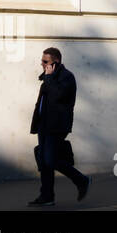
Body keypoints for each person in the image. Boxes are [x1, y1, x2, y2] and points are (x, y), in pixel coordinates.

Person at [28, 47, 90, 206]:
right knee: (44, 160)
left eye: (45, 61)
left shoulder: (66, 77)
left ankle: (81, 180)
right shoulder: (48, 78)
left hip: (57, 126)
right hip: (44, 125)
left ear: (55, 63)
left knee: (50, 159)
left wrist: (48, 78)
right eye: (42, 60)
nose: (41, 63)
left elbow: (58, 96)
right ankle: (47, 196)